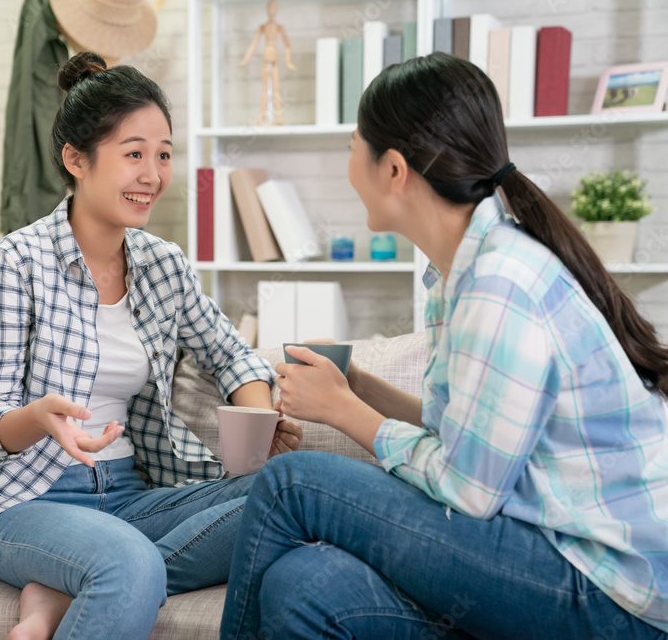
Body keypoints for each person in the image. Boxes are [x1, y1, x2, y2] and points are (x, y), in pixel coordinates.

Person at [219, 51, 668, 639]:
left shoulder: (500, 283)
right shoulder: (459, 272)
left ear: (395, 170)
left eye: (355, 143)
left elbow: (470, 488)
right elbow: (465, 433)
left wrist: (341, 411)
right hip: (540, 550)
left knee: (291, 482)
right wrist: (359, 385)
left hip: (604, 590)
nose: (348, 160)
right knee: (303, 585)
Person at [0, 51, 303, 640]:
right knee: (127, 563)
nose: (152, 175)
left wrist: (259, 419)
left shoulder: (163, 265)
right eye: (133, 154)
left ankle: (65, 587)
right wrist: (38, 417)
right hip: (18, 502)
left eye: (163, 154)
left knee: (293, 488)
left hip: (128, 497)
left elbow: (232, 356)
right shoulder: (16, 261)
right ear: (76, 160)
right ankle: (103, 573)